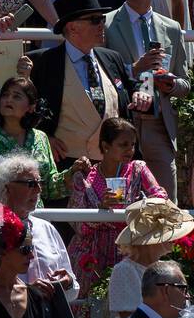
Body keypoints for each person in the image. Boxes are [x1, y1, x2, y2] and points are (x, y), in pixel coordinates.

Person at [25, 0, 149, 164]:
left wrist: (143, 91)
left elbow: (136, 85)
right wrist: (45, 138)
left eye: (102, 19)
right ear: (72, 27)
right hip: (67, 166)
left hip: (113, 164)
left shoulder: (111, 57)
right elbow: (25, 108)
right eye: (94, 20)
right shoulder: (45, 62)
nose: (101, 25)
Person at [104, 0, 190, 198]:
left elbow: (186, 84)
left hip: (158, 124)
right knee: (118, 201)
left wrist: (171, 84)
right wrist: (135, 68)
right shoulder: (106, 24)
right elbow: (102, 74)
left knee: (165, 202)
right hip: (122, 122)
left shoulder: (172, 29)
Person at [0, 177, 88, 318]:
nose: (38, 189)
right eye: (30, 183)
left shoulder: (47, 228)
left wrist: (66, 283)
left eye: (40, 182)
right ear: (8, 187)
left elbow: (73, 290)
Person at [66, 117, 166, 290]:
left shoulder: (138, 169)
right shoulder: (84, 177)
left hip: (129, 252)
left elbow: (160, 196)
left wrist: (137, 206)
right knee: (92, 310)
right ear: (105, 146)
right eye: (123, 144)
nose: (130, 150)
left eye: (133, 145)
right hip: (91, 257)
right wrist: (101, 210)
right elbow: (78, 224)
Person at [107, 199, 190, 318]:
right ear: (149, 240)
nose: (172, 236)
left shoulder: (164, 268)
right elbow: (126, 317)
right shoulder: (124, 270)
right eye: (166, 231)